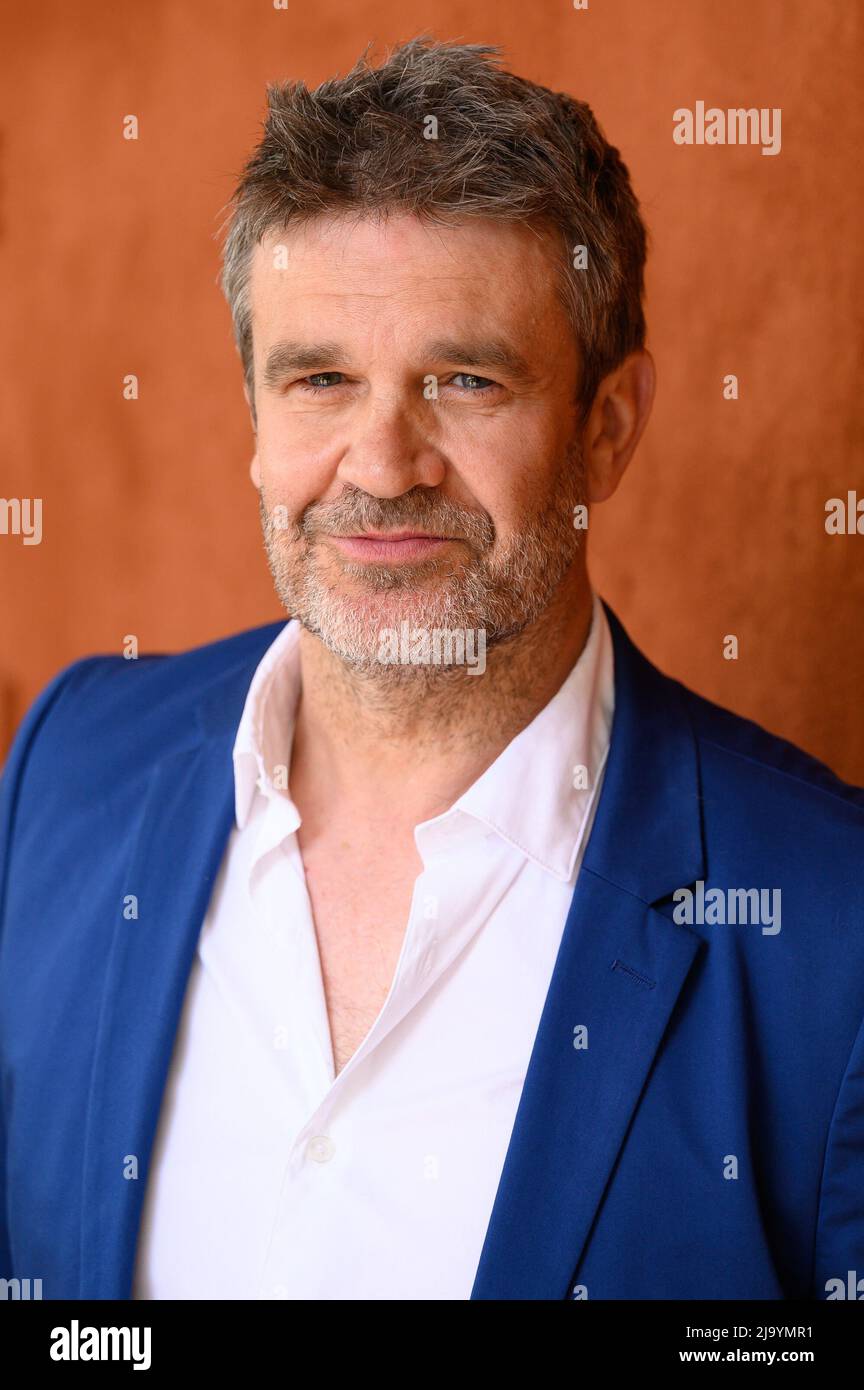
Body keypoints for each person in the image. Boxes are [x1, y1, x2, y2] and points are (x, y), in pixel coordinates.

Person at [1, 36, 863, 1302]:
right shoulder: (64, 770)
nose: (382, 462)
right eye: (319, 379)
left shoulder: (829, 932)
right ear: (254, 419)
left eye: (465, 380)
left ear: (607, 428)